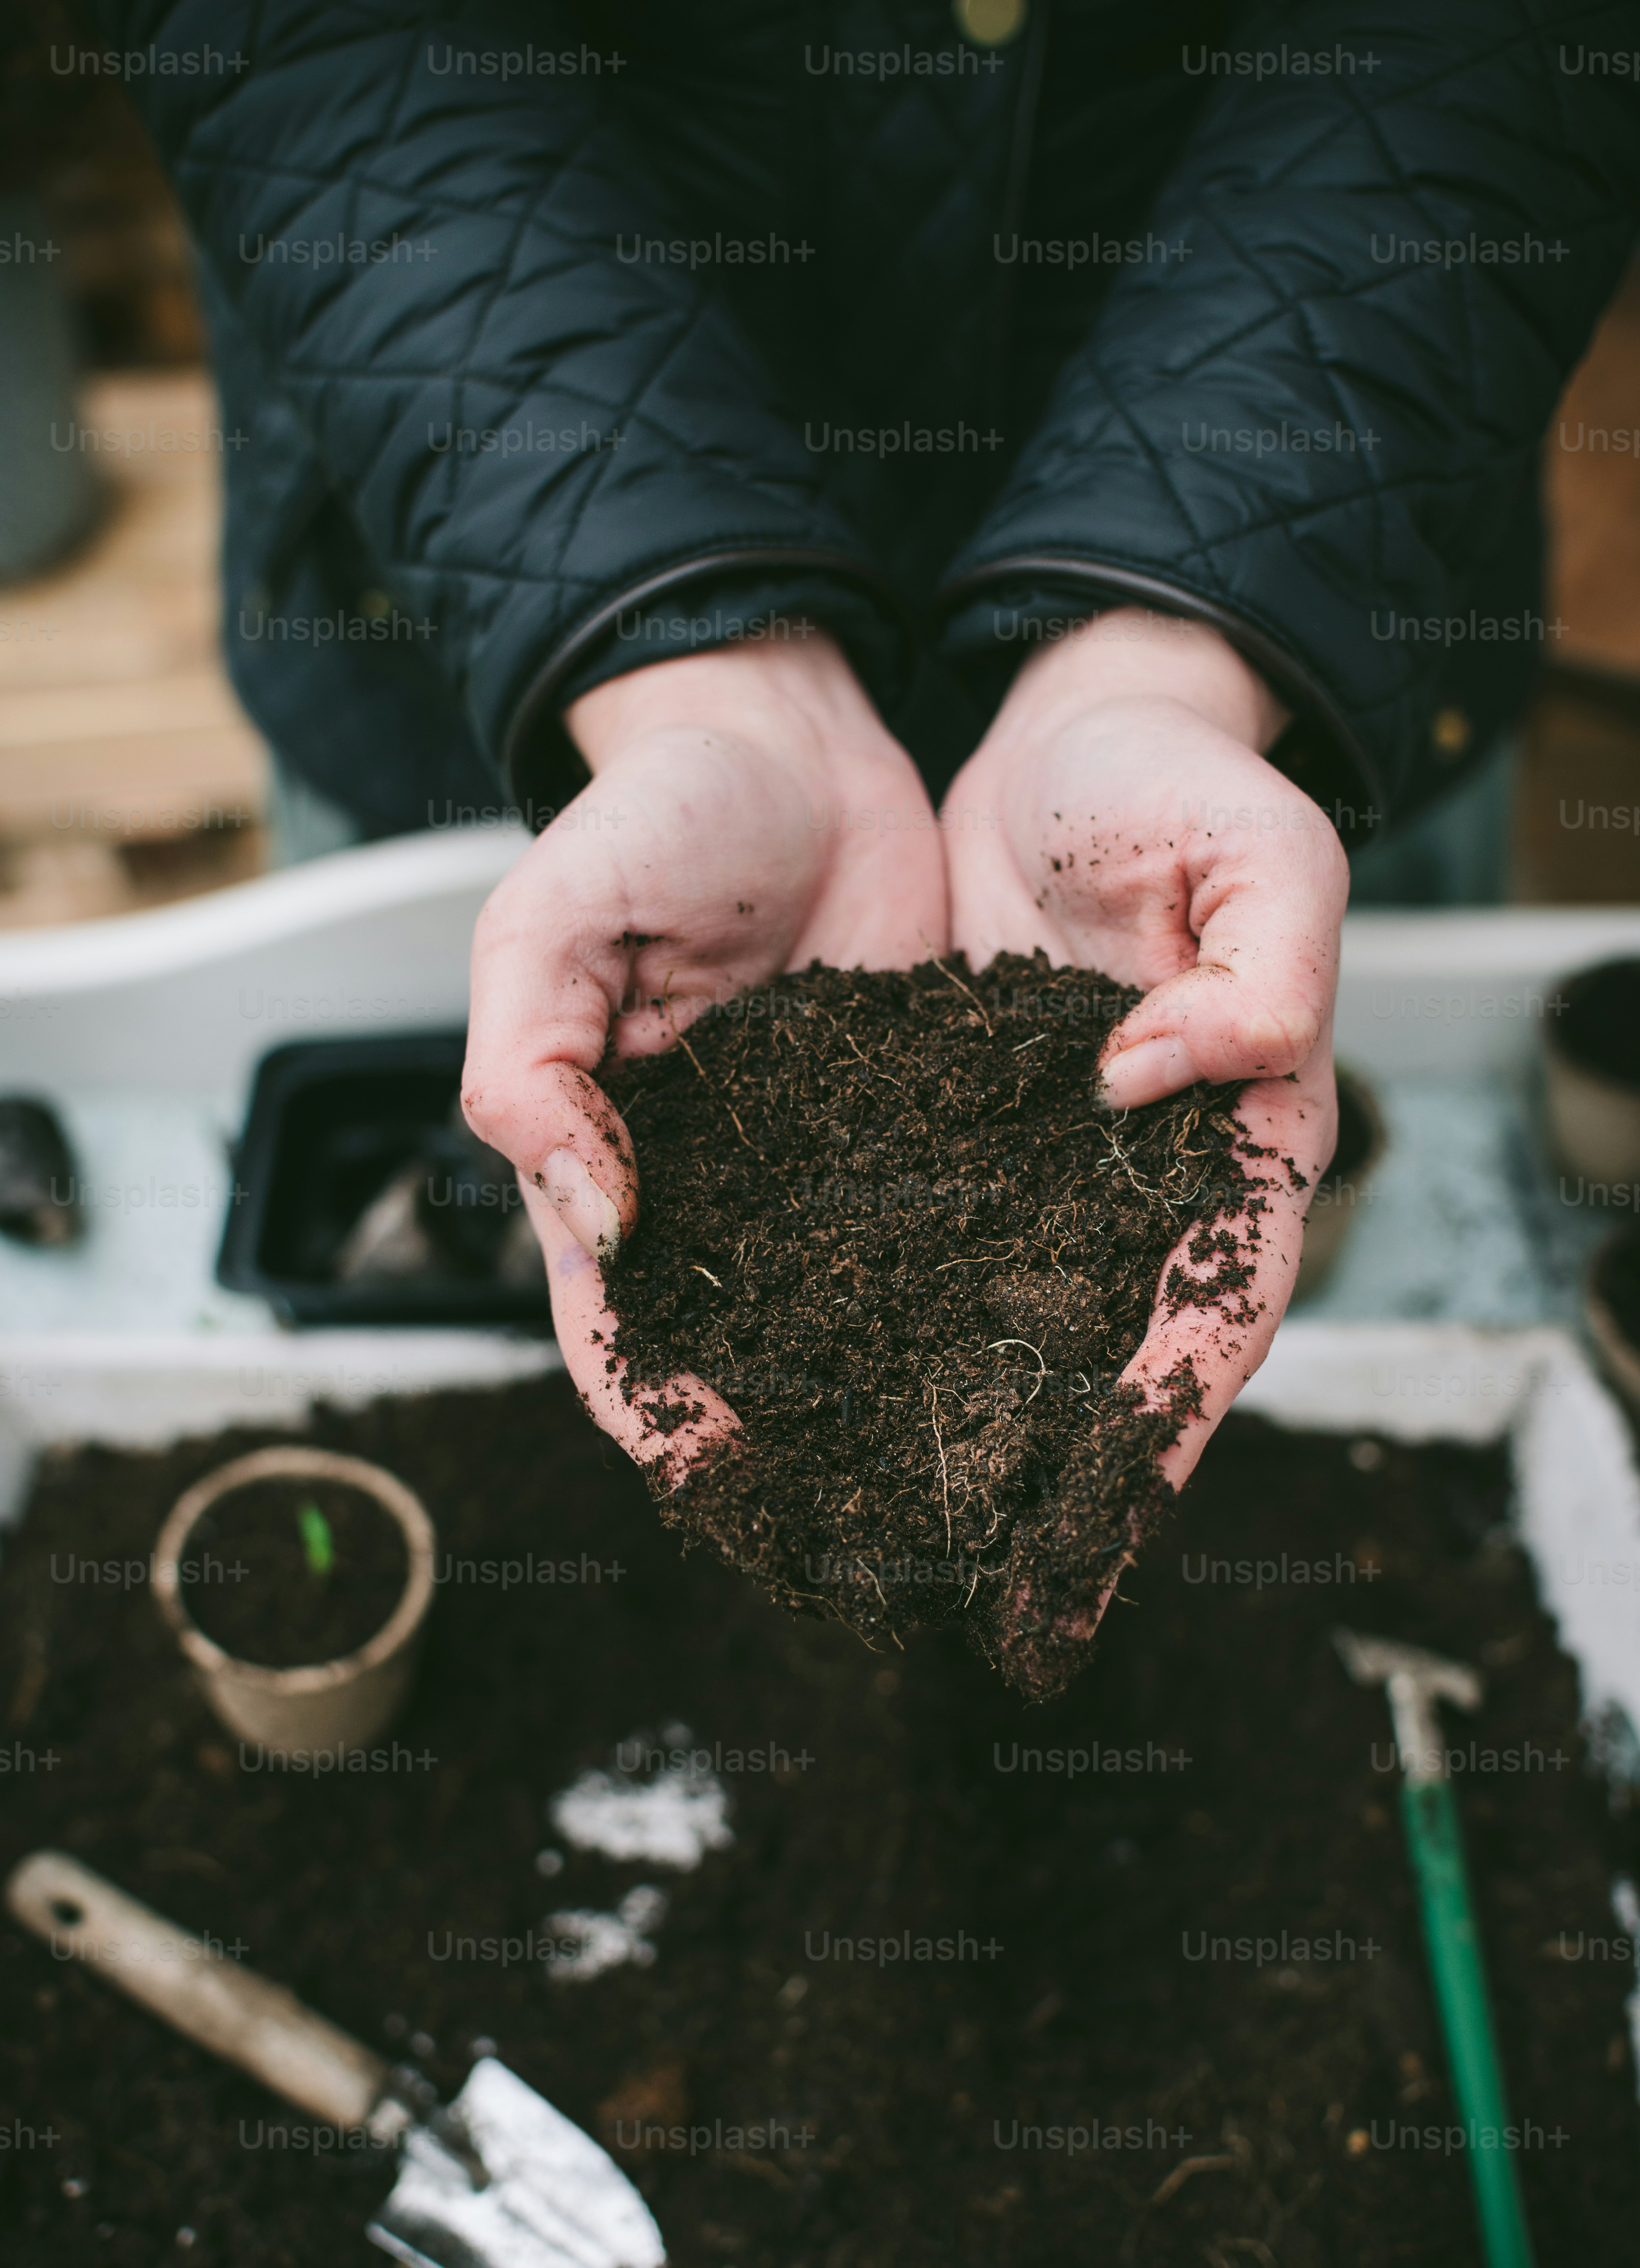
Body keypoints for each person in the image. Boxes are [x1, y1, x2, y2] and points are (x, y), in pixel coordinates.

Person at [95, 1, 1639, 1527]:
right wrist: (665, 658)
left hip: (1322, 583)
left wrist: (1183, 636)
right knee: (533, 1218)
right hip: (484, 576)